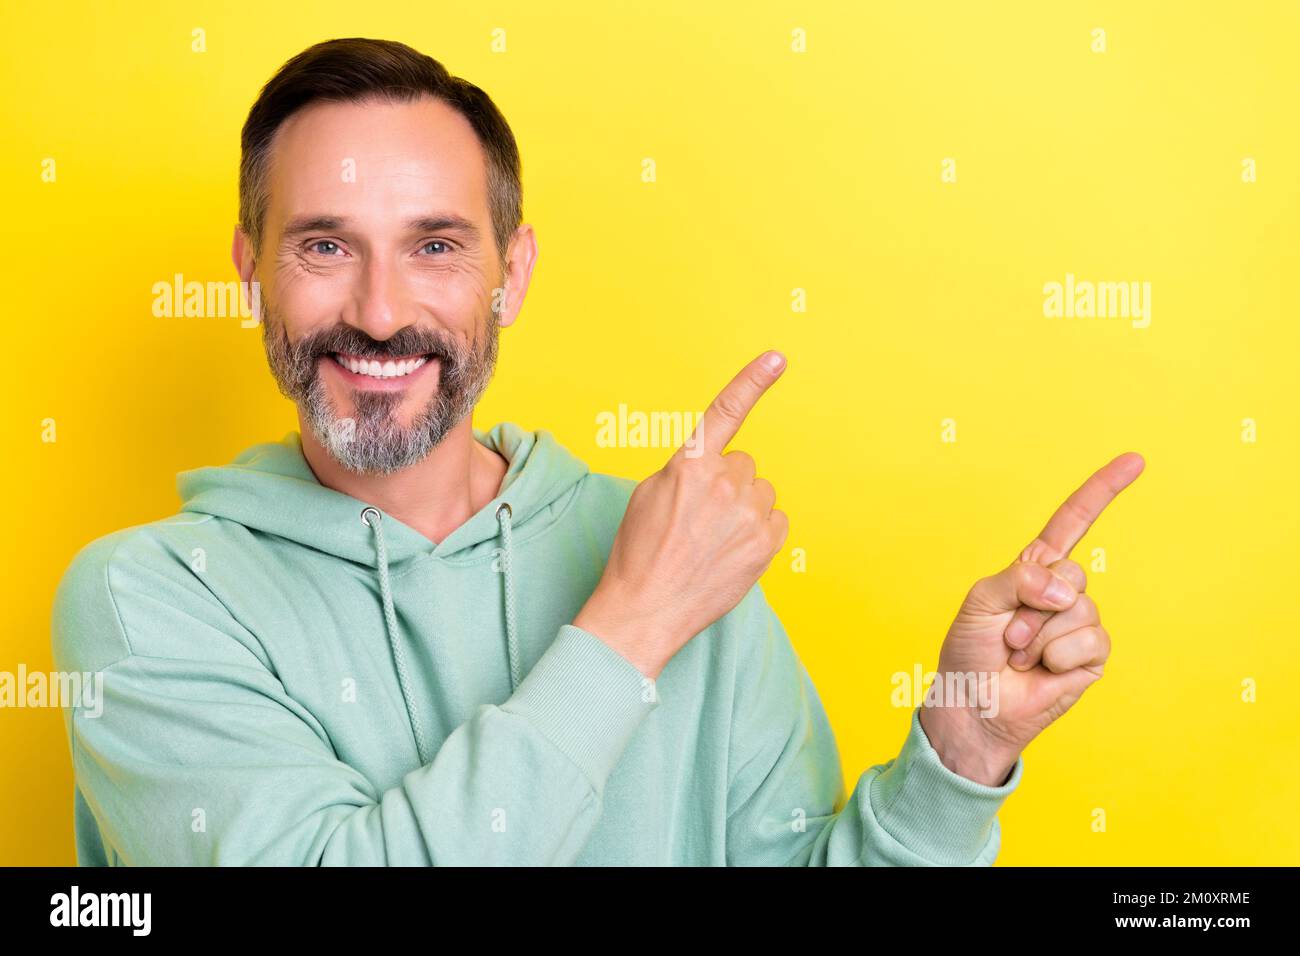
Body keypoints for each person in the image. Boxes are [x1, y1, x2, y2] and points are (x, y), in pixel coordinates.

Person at [51, 37, 1144, 866]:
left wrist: (957, 755)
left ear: (511, 273)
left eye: (436, 245)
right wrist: (633, 620)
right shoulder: (146, 600)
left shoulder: (674, 547)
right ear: (250, 269)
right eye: (325, 245)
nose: (380, 312)